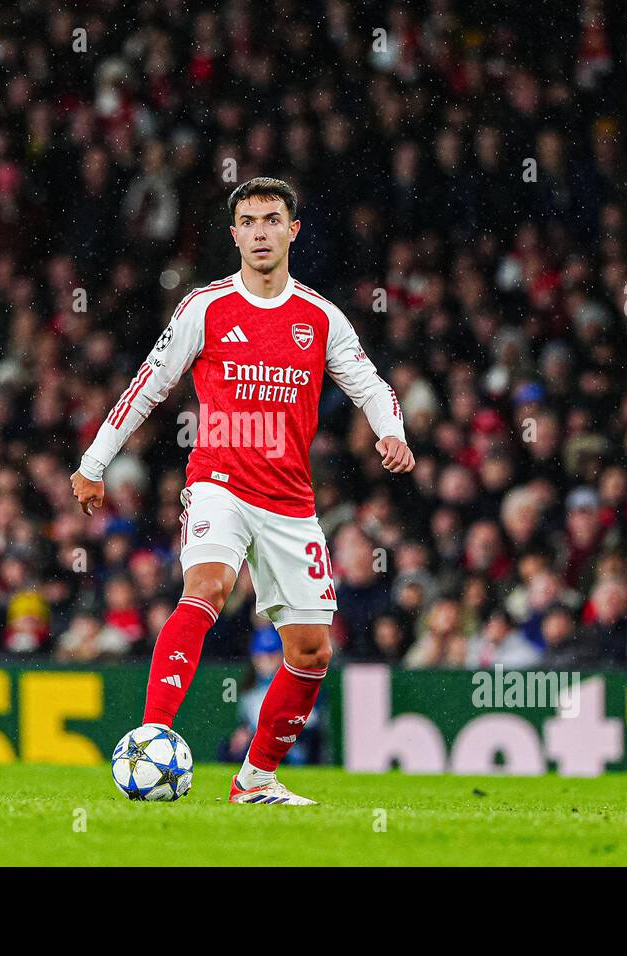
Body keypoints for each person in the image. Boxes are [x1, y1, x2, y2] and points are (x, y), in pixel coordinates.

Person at [71, 177, 413, 805]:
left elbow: (368, 381)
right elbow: (148, 384)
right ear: (233, 235)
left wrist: (391, 431)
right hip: (217, 484)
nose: (260, 231)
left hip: (289, 502)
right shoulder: (204, 308)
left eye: (271, 219)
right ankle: (154, 735)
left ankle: (255, 778)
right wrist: (94, 463)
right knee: (205, 587)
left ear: (293, 230)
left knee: (311, 652)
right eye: (248, 221)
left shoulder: (320, 317)